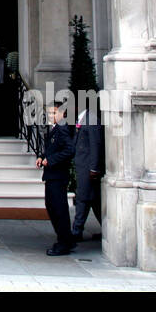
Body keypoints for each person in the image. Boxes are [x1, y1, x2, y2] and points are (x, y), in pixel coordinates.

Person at [37, 100, 75, 255]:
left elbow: (69, 150)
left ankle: (64, 243)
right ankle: (66, 239)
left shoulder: (62, 128)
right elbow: (52, 148)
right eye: (49, 113)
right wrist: (42, 156)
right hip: (52, 175)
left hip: (58, 175)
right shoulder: (55, 128)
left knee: (58, 209)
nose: (51, 116)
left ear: (62, 113)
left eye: (54, 113)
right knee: (52, 207)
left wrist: (50, 160)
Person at [71, 104, 105, 242]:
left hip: (88, 168)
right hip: (82, 166)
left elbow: (95, 144)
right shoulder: (81, 119)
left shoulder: (91, 119)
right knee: (94, 201)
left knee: (83, 198)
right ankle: (108, 229)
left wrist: (94, 168)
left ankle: (76, 231)